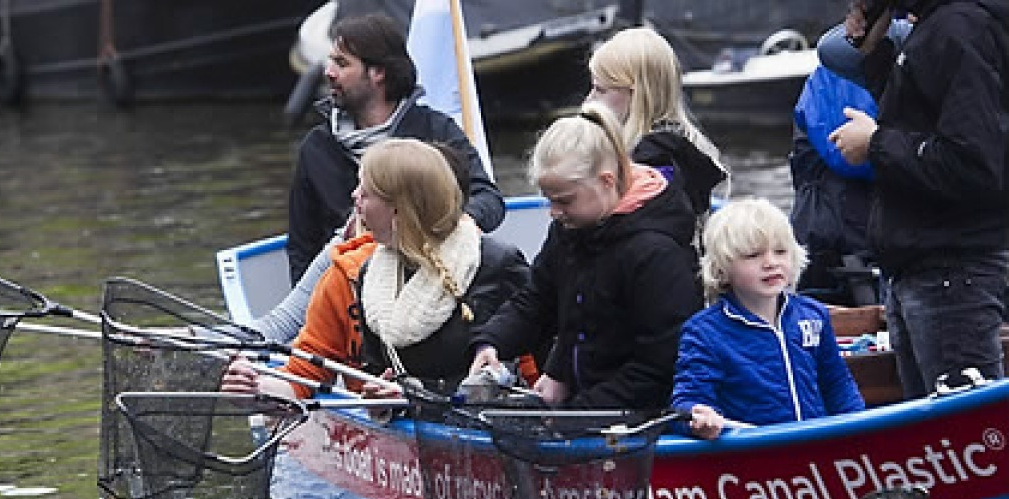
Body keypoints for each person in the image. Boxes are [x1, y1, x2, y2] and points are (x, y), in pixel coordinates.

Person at [223, 138, 528, 399]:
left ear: (399, 208)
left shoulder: (498, 264)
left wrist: (418, 395)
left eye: (366, 192)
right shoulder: (365, 275)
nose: (354, 198)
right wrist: (254, 389)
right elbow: (338, 376)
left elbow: (533, 376)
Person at [823, 0, 1009, 398]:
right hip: (918, 269)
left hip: (951, 272)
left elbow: (974, 163)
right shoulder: (936, 26)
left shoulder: (959, 29)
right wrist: (875, 53)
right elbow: (921, 119)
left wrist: (875, 144)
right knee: (936, 441)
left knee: (965, 440)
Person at [467, 102, 702, 410]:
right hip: (585, 399)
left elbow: (661, 363)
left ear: (606, 181)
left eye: (564, 201)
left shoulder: (657, 254)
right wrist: (492, 342)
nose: (554, 213)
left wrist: (578, 413)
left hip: (639, 413)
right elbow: (538, 300)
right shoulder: (572, 228)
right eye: (549, 200)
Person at [285, 13, 504, 283]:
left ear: (378, 73)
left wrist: (453, 224)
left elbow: (490, 200)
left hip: (430, 276)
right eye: (331, 61)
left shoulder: (435, 131)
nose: (329, 72)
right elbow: (301, 245)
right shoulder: (316, 148)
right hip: (348, 286)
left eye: (341, 63)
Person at [670, 198, 865, 439]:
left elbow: (838, 385)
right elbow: (687, 401)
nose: (771, 263)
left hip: (818, 446)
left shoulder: (814, 316)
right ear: (722, 269)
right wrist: (699, 417)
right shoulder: (704, 332)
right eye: (753, 255)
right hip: (755, 453)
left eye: (781, 252)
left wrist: (858, 430)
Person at [585, 27, 729, 217]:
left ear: (637, 95)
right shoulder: (694, 154)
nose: (588, 100)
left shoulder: (651, 165)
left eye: (600, 90)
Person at [788, 65, 879, 306]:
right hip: (846, 237)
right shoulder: (840, 76)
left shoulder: (822, 79)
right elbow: (848, 158)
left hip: (826, 231)